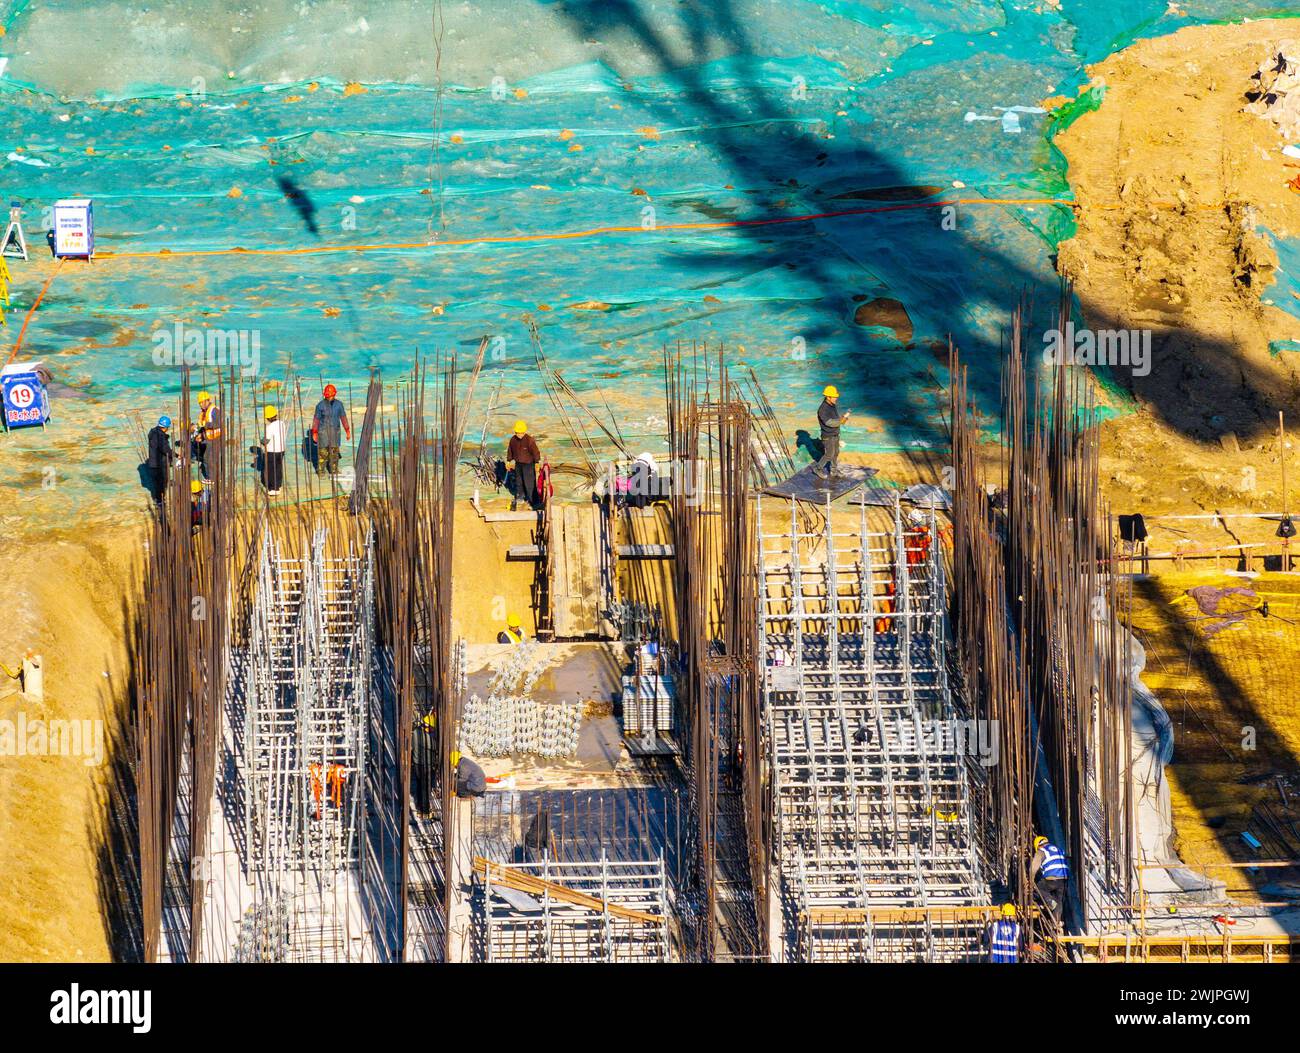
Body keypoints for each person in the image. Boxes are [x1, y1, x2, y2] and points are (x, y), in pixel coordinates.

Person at [312, 383, 351, 478]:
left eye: (331, 396)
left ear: (334, 395)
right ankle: (321, 471)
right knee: (322, 454)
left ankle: (333, 470)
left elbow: (343, 418)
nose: (330, 397)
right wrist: (314, 432)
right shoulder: (320, 406)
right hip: (323, 432)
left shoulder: (339, 405)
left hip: (335, 432)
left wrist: (347, 430)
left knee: (334, 453)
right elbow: (316, 420)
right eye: (328, 396)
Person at [1031, 835, 1070, 924]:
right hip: (1064, 878)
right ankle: (1056, 923)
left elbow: (1034, 867)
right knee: (1059, 900)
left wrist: (1031, 879)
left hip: (1051, 877)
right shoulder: (1058, 849)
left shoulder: (1041, 851)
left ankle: (1051, 902)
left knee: (1038, 890)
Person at [814, 385, 849, 479]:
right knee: (829, 454)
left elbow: (835, 419)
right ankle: (818, 468)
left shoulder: (832, 405)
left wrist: (842, 418)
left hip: (835, 434)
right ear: (828, 397)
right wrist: (840, 421)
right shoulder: (822, 409)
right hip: (828, 435)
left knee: (836, 452)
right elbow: (829, 423)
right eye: (834, 397)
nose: (836, 398)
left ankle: (833, 470)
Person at [506, 420, 542, 511]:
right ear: (515, 432)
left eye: (521, 433)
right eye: (518, 433)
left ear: (524, 432)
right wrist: (508, 461)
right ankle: (520, 497)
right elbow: (510, 451)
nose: (520, 435)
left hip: (528, 465)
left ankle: (534, 503)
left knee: (530, 484)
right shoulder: (513, 440)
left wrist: (537, 462)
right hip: (518, 464)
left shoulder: (529, 440)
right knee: (519, 482)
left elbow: (536, 452)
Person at [194, 391, 222, 481]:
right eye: (200, 403)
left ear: (207, 400)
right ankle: (213, 477)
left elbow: (218, 424)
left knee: (210, 459)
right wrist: (201, 436)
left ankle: (212, 478)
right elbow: (204, 428)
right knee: (207, 459)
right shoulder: (203, 413)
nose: (201, 404)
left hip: (216, 439)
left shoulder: (214, 410)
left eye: (202, 402)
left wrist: (205, 424)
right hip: (208, 439)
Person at [146, 415, 174, 504]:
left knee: (159, 481)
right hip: (159, 462)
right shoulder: (160, 436)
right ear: (165, 427)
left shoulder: (154, 431)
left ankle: (159, 497)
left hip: (154, 462)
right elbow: (165, 449)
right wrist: (175, 455)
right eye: (168, 427)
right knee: (161, 482)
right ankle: (159, 500)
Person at [262, 404, 285, 495]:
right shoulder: (282, 423)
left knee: (271, 469)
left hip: (272, 451)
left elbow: (266, 441)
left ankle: (272, 489)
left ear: (267, 418)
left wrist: (261, 440)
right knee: (278, 468)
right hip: (281, 450)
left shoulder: (269, 427)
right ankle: (278, 486)